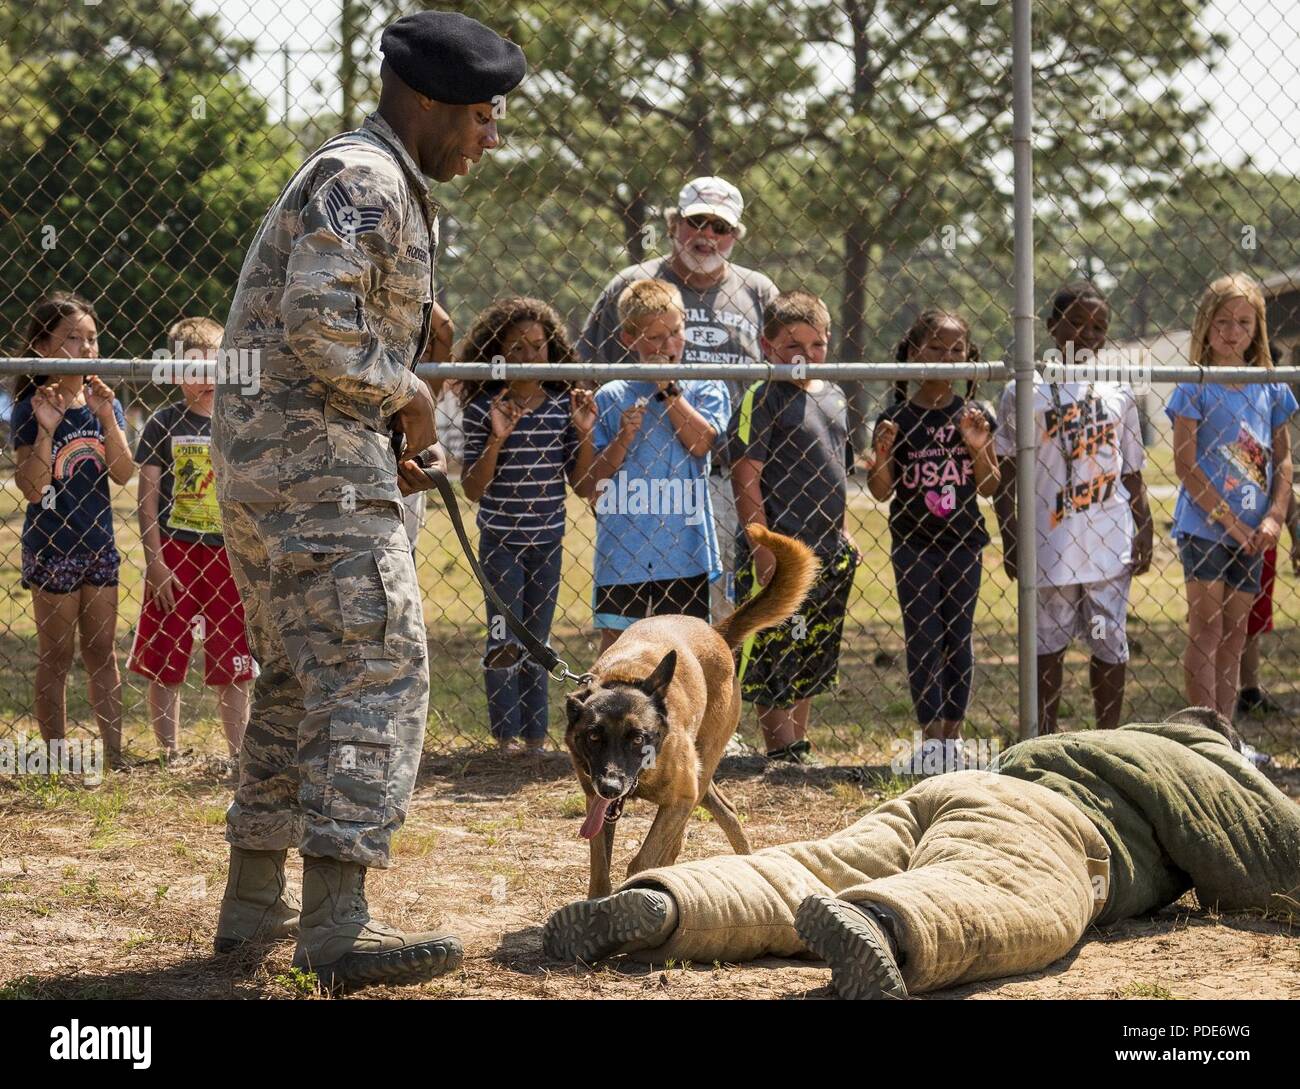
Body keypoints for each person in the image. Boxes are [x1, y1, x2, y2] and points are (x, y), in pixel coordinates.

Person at [210, 10, 526, 992]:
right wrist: (412, 392)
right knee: (376, 674)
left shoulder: (373, 174)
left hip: (276, 472)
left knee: (299, 684)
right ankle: (339, 925)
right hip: (314, 476)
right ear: (426, 101)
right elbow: (316, 321)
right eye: (480, 116)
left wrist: (400, 354)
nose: (490, 136)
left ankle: (255, 903)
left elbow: (324, 314)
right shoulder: (369, 176)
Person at [542, 707, 1300, 1000]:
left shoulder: (1087, 740)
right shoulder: (1195, 760)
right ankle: (887, 925)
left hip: (949, 791)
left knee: (815, 862)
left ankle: (666, 903)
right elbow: (1269, 857)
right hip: (1044, 824)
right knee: (1010, 898)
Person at [580, 177, 778, 620]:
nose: (707, 236)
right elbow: (589, 367)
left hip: (731, 472)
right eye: (697, 222)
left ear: (735, 237)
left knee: (718, 604)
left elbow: (780, 378)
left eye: (720, 228)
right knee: (637, 611)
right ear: (673, 224)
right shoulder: (632, 284)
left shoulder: (758, 291)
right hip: (644, 478)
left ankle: (705, 687)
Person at [993, 281, 1153, 732]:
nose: (1087, 333)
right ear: (1049, 327)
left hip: (1107, 540)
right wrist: (1011, 537)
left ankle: (1109, 739)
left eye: (1098, 326)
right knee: (1048, 645)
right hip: (1050, 541)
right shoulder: (1023, 391)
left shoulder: (1118, 391)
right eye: (1076, 322)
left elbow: (1132, 472)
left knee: (1108, 641)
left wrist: (1145, 527)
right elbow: (1006, 479)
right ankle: (1045, 737)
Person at [457, 298, 596, 755]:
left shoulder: (561, 408)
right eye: (515, 349)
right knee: (503, 638)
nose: (529, 357)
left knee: (537, 641)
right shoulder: (483, 407)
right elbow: (474, 489)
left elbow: (581, 483)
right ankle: (505, 740)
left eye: (538, 347)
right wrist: (498, 437)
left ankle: (536, 740)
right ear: (495, 354)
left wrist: (585, 433)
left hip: (547, 540)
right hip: (501, 542)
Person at [727, 291, 858, 765]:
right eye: (792, 345)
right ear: (766, 344)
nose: (805, 356)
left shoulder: (836, 395)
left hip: (827, 548)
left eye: (817, 344)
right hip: (781, 549)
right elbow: (746, 475)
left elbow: (838, 473)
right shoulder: (762, 397)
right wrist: (762, 546)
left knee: (812, 647)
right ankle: (779, 746)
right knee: (774, 648)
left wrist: (843, 532)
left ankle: (797, 743)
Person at [869, 309, 998, 774]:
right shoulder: (896, 418)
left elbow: (988, 486)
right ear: (914, 352)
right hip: (914, 544)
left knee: (957, 638)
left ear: (970, 356)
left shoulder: (976, 416)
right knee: (923, 638)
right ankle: (930, 741)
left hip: (963, 543)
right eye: (936, 348)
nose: (947, 357)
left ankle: (954, 738)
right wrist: (882, 455)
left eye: (957, 350)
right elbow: (882, 491)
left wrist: (977, 445)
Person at [1166, 274, 1297, 721]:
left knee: (1237, 633)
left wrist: (1274, 517)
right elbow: (1185, 466)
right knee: (1207, 628)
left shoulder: (1271, 385)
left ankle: (1229, 736)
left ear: (1257, 328)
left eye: (1244, 322)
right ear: (1206, 325)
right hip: (1207, 528)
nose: (1232, 331)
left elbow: (1282, 460)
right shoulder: (1193, 385)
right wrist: (1232, 523)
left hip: (1255, 533)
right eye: (1222, 321)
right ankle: (1204, 736)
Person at [11, 292, 132, 770]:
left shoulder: (103, 403)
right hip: (53, 548)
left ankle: (116, 755)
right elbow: (34, 486)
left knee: (103, 652)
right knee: (56, 656)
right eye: (71, 339)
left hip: (98, 545)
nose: (85, 348)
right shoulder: (30, 406)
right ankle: (57, 758)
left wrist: (107, 418)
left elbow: (123, 473)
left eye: (91, 338)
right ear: (41, 348)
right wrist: (46, 428)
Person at [127, 317, 254, 764]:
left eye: (215, 367)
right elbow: (146, 499)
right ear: (176, 373)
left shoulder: (239, 423)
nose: (205, 379)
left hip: (227, 556)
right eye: (193, 369)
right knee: (167, 655)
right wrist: (155, 561)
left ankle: (239, 753)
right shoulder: (164, 423)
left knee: (234, 661)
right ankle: (169, 752)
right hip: (176, 554)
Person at [588, 279, 730, 654]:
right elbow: (593, 483)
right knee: (617, 649)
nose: (668, 347)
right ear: (628, 339)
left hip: (684, 549)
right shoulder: (612, 395)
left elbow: (702, 442)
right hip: (623, 550)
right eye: (654, 338)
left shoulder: (705, 387)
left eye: (676, 333)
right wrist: (622, 439)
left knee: (684, 652)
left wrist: (668, 389)